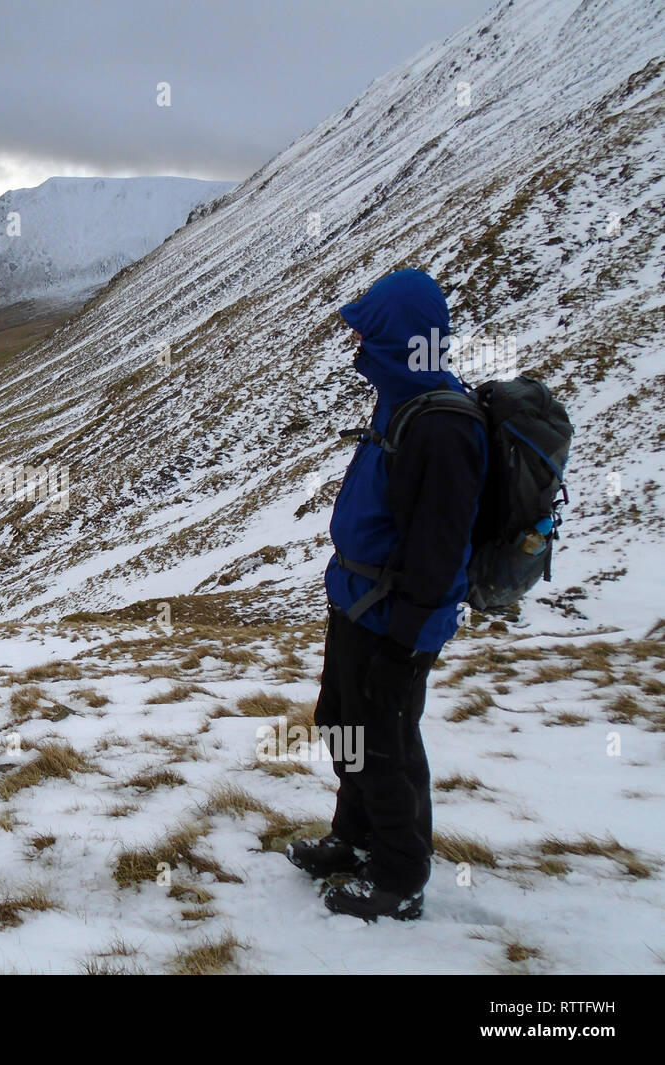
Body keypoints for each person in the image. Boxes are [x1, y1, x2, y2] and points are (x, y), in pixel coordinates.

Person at [287, 269, 487, 921]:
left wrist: (402, 648)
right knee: (342, 725)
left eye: (366, 331)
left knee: (387, 743)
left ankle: (400, 877)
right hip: (357, 602)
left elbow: (438, 553)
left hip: (394, 620)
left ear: (398, 339)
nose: (355, 344)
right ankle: (354, 838)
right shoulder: (399, 399)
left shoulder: (443, 429)